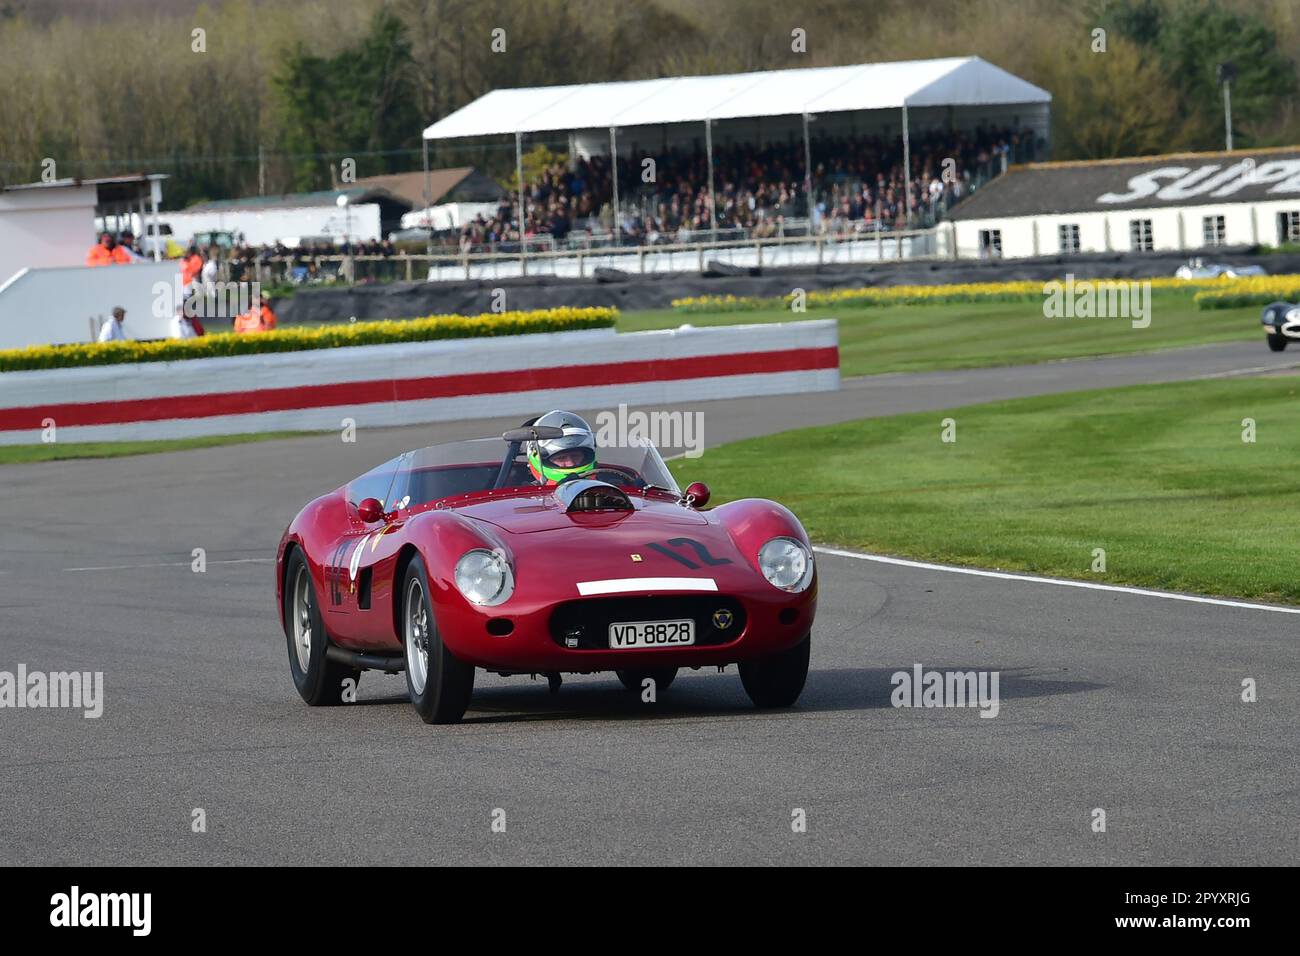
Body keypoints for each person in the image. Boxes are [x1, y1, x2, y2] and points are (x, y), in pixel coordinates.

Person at [524, 410, 597, 485]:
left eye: (575, 456)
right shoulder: (527, 491)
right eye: (561, 458)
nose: (571, 463)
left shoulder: (604, 481)